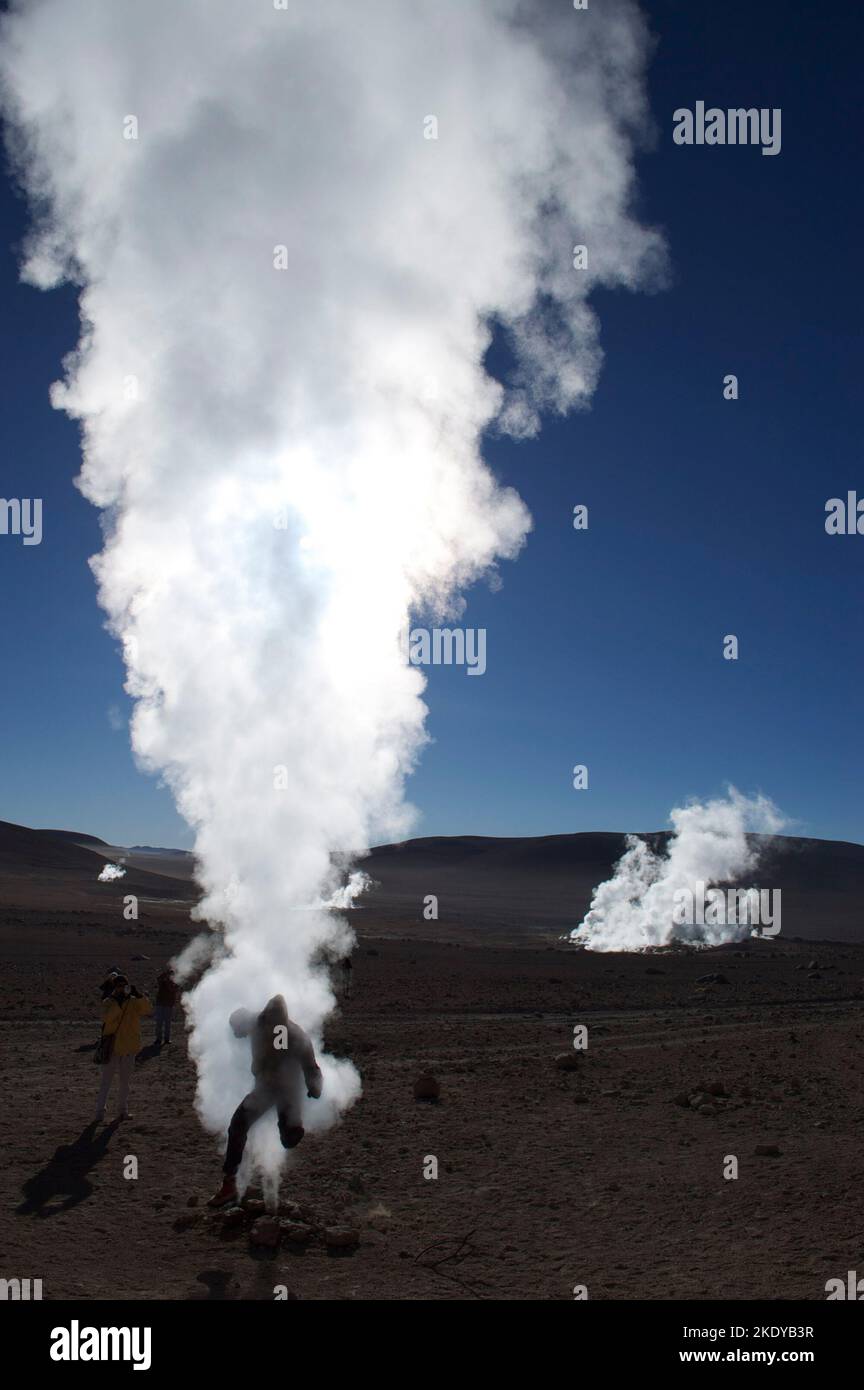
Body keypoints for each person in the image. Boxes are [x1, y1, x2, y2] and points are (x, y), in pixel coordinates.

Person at [208, 994, 323, 1208]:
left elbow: (310, 1065)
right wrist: (238, 1024)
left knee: (287, 1138)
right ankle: (229, 1184)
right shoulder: (260, 1022)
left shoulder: (294, 1033)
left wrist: (314, 1085)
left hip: (287, 1090)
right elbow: (238, 1020)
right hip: (266, 1089)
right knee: (237, 1127)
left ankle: (292, 1128)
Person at [94, 974, 152, 1123]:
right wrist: (118, 1004)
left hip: (129, 1047)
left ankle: (122, 1111)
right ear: (114, 987)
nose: (121, 988)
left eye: (123, 985)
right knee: (106, 1081)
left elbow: (147, 1010)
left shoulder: (133, 1002)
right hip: (113, 1048)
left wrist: (139, 995)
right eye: (118, 986)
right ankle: (100, 1112)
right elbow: (107, 1019)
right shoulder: (109, 1002)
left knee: (125, 1083)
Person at [153, 966, 179, 1046]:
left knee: (167, 1023)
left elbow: (172, 989)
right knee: (159, 1023)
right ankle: (159, 1039)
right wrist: (165, 974)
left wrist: (168, 981)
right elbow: (158, 979)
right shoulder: (163, 982)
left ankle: (166, 1039)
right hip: (160, 1004)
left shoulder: (174, 984)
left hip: (168, 1004)